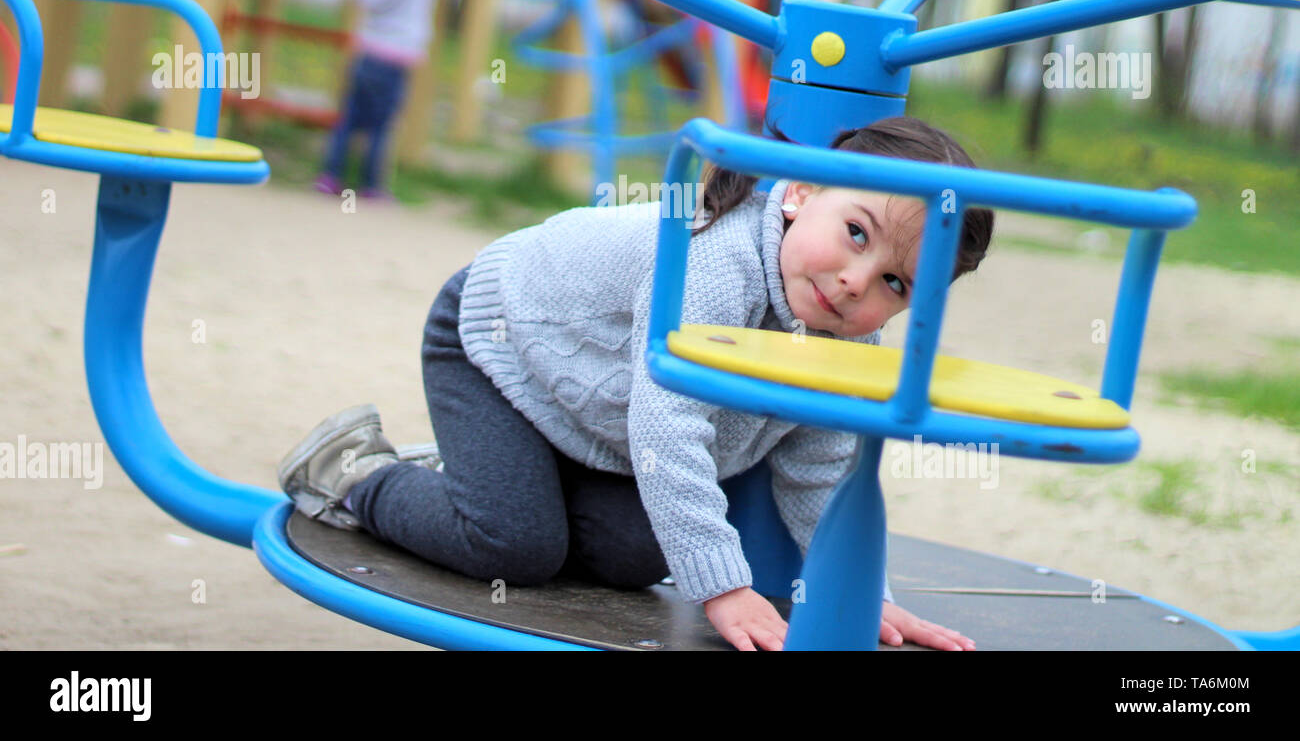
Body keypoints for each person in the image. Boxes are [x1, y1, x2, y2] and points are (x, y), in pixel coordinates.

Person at [280, 115, 995, 651]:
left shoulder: (847, 335)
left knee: (637, 554)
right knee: (515, 547)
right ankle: (356, 469)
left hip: (589, 414)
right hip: (498, 342)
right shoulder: (718, 264)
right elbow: (668, 427)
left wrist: (864, 589)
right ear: (800, 193)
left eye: (893, 282)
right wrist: (727, 589)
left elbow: (820, 472)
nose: (853, 281)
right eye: (857, 233)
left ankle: (488, 477)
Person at [315, 0, 448, 200]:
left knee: (349, 118)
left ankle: (329, 175)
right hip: (396, 55)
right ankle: (371, 185)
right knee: (380, 125)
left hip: (367, 51)